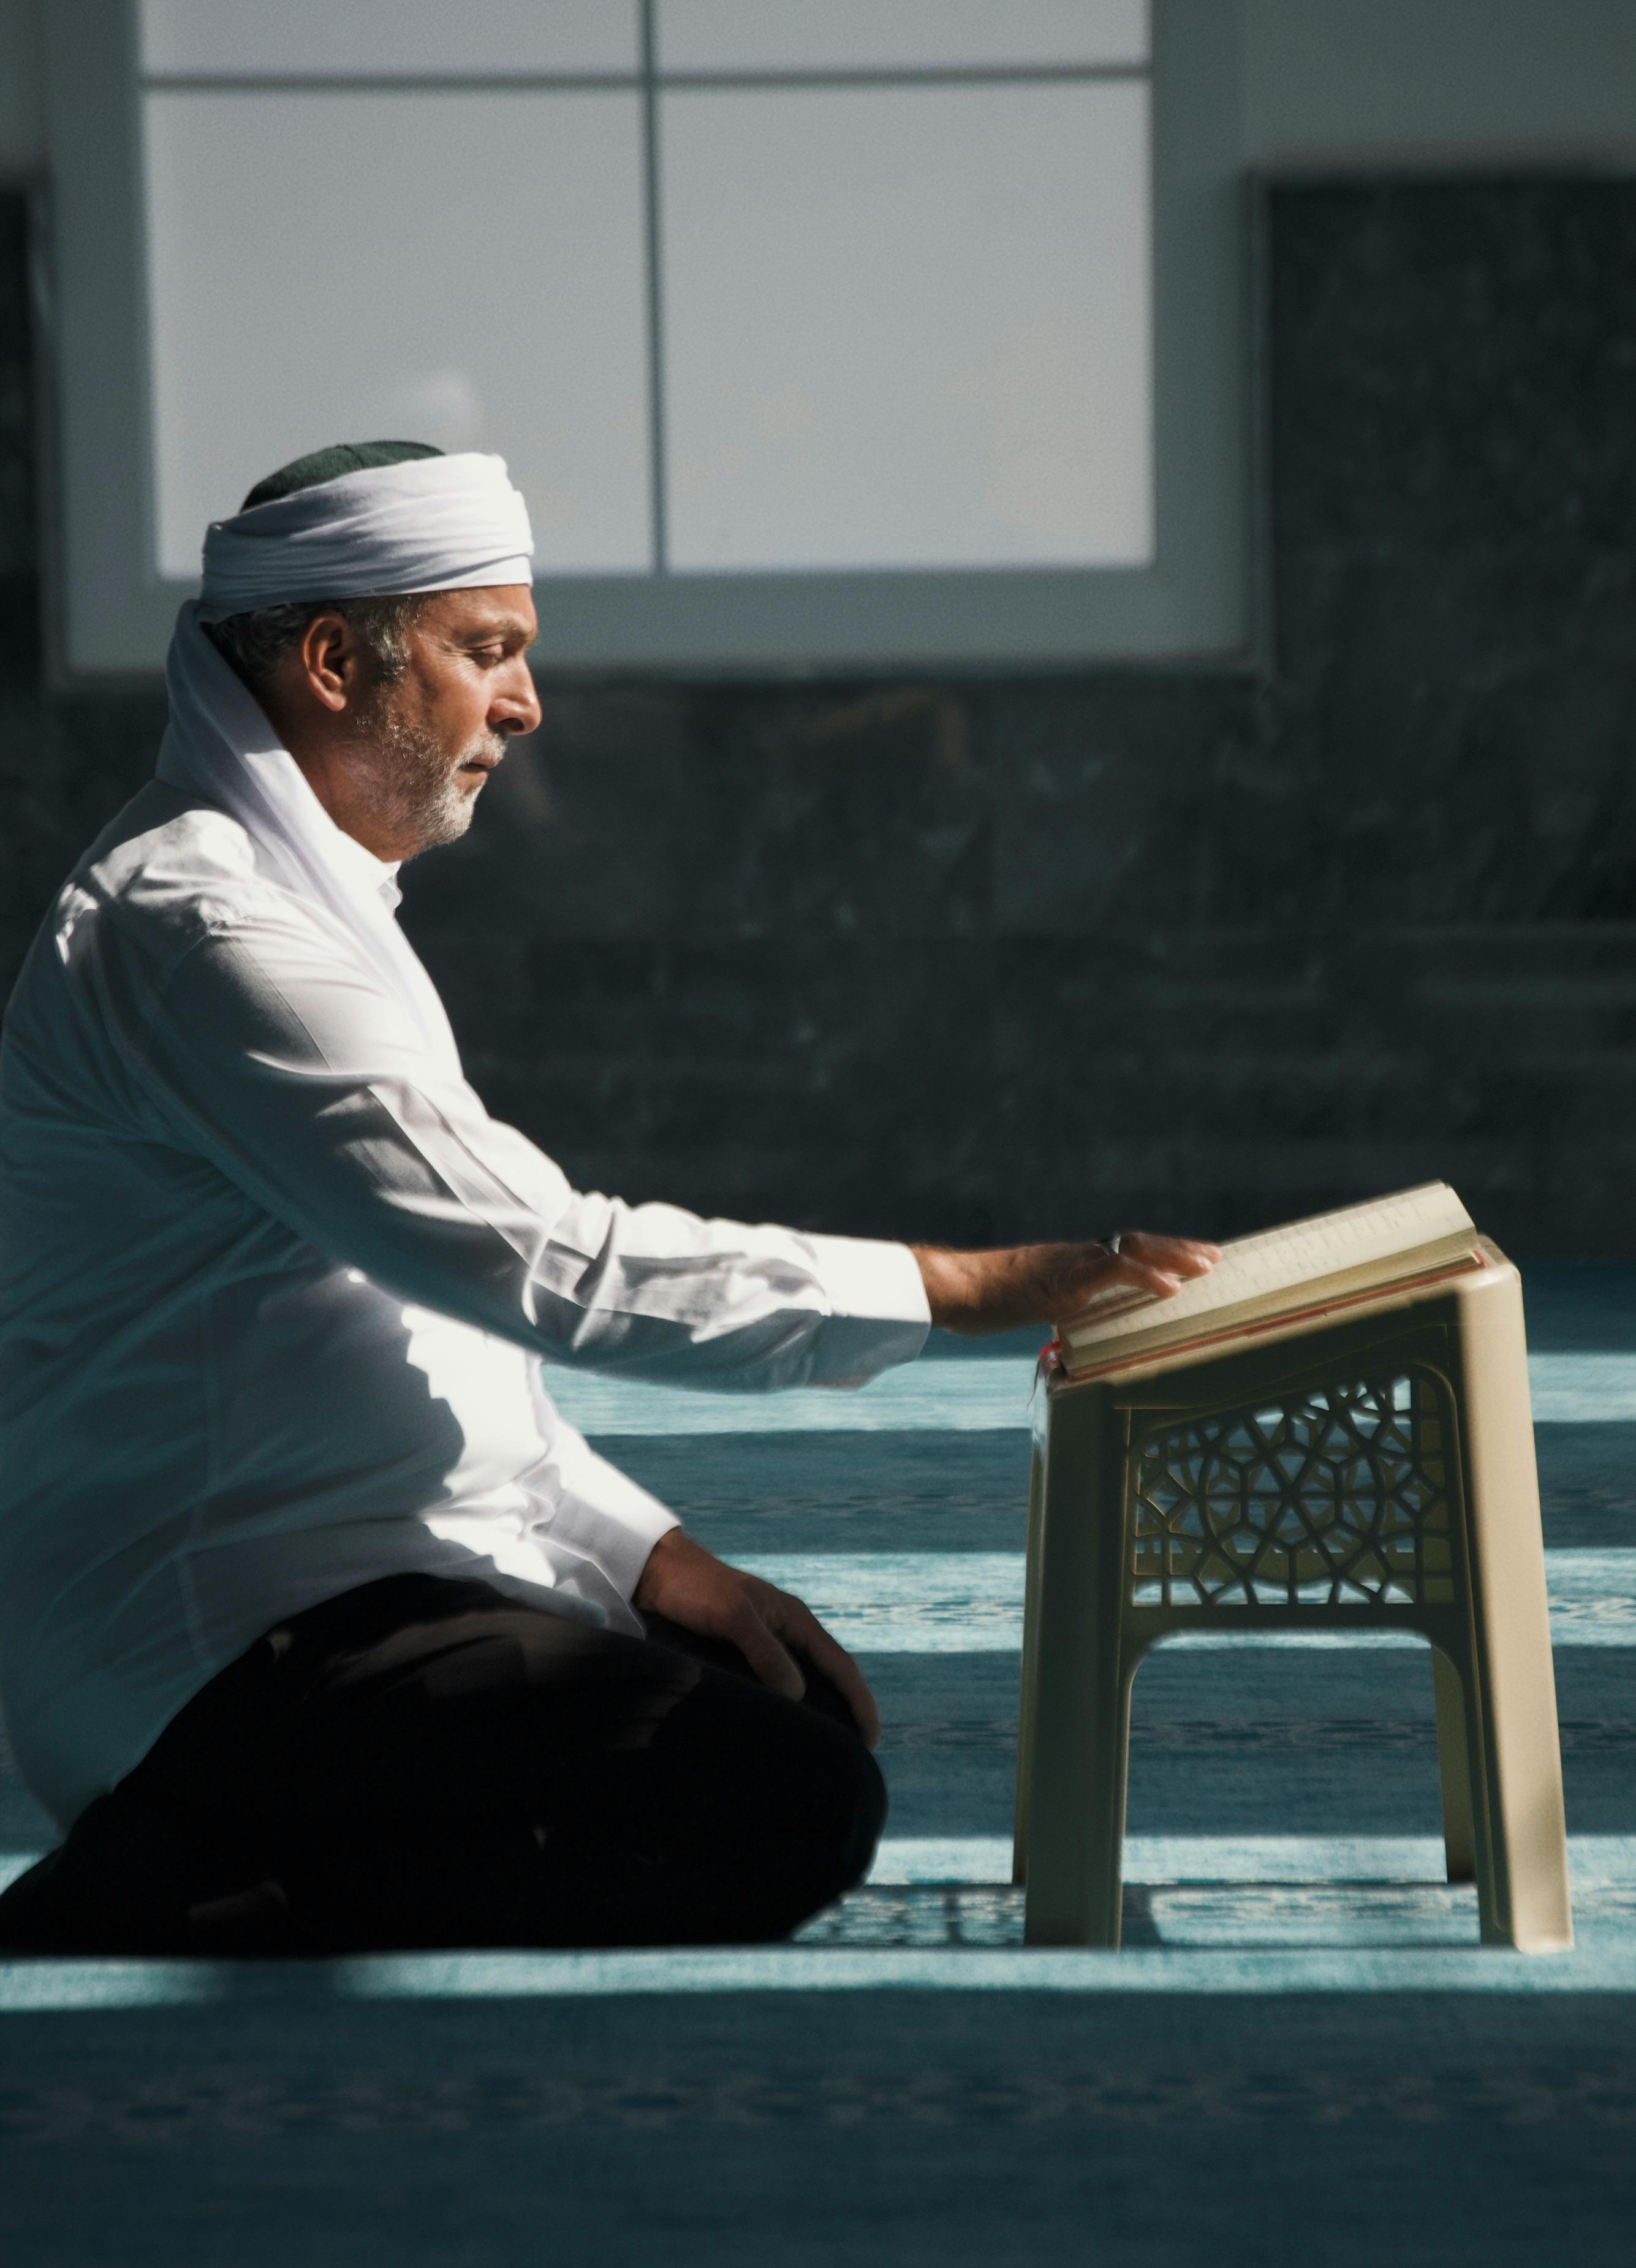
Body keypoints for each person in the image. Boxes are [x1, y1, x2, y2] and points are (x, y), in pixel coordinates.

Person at [0, 442, 1217, 1956]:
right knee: (765, 1801)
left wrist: (646, 1556)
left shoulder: (297, 904)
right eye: (486, 653)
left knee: (785, 1738)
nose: (524, 707)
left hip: (343, 1587)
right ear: (331, 662)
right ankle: (144, 1884)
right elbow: (545, 1262)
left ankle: (270, 1854)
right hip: (214, 1645)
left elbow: (418, 1349)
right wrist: (970, 1285)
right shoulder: (204, 933)